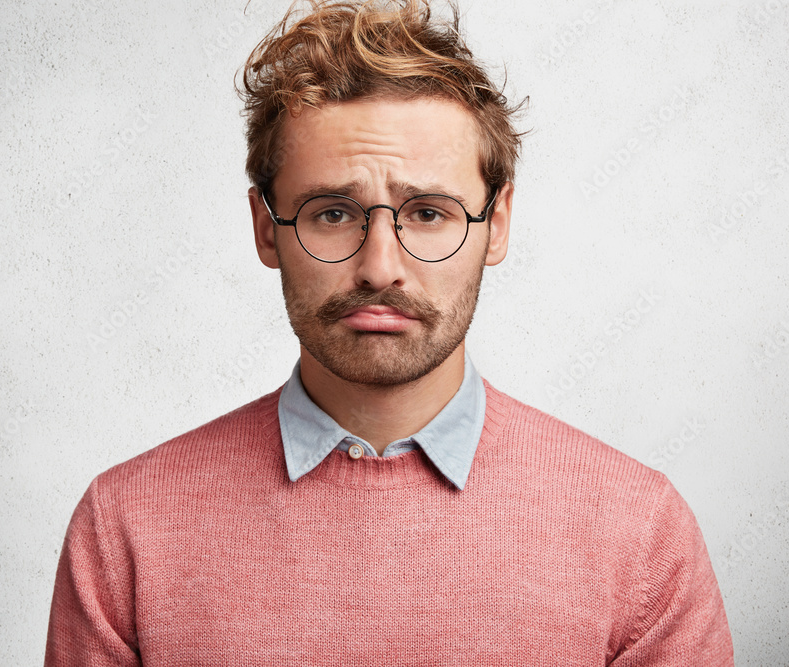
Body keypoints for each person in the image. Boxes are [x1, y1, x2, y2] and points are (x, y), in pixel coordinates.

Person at [44, 1, 734, 664]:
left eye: (429, 213)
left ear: (496, 224)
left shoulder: (639, 533)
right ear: (265, 228)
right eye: (333, 213)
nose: (380, 268)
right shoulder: (126, 529)